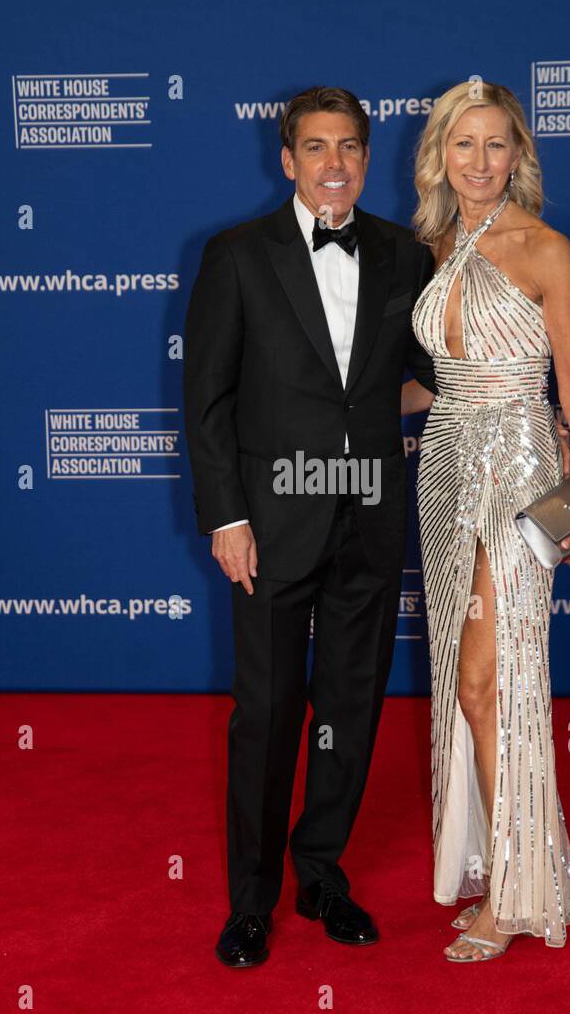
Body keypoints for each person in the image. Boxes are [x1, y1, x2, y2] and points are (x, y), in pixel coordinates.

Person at [184, 86, 438, 967]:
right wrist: (227, 516)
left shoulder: (407, 256)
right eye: (317, 147)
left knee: (351, 703)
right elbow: (208, 400)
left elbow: (423, 378)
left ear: (368, 160)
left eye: (351, 148)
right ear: (286, 160)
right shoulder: (237, 255)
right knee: (266, 712)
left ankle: (322, 872)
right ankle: (251, 900)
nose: (335, 164)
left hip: (369, 516)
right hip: (271, 523)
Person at [403, 80, 570, 961]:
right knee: (464, 680)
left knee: (499, 678)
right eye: (464, 145)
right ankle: (508, 864)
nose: (480, 162)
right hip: (448, 463)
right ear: (440, 157)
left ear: (518, 157)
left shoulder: (545, 248)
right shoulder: (431, 244)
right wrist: (340, 416)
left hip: (523, 471)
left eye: (496, 145)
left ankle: (519, 895)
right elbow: (443, 378)